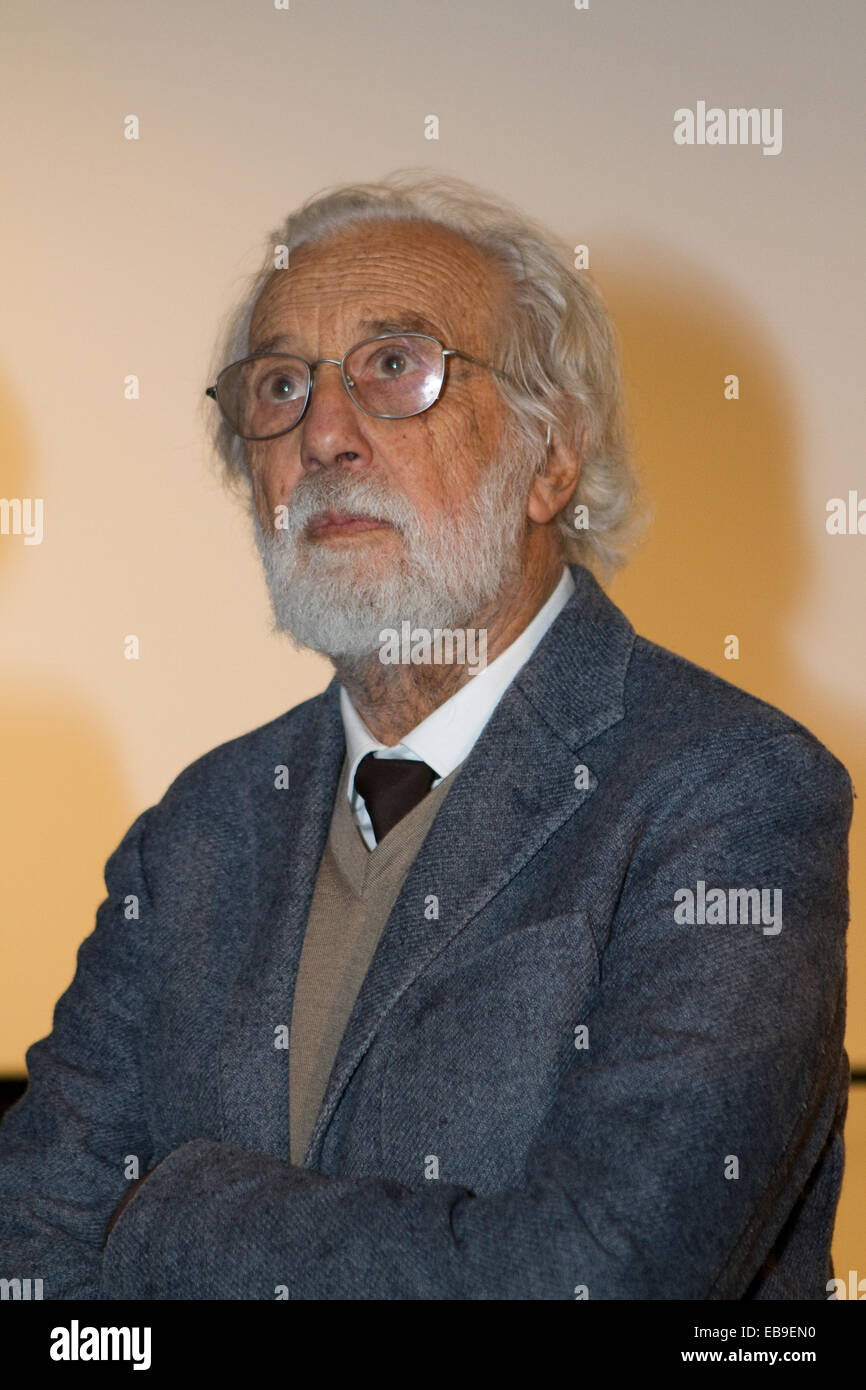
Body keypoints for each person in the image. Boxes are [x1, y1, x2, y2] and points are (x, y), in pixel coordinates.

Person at [0, 172, 852, 1300]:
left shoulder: (729, 791)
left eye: (394, 368)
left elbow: (597, 1279)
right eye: (280, 385)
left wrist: (170, 1215)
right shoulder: (198, 826)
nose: (325, 433)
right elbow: (26, 1258)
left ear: (551, 459)